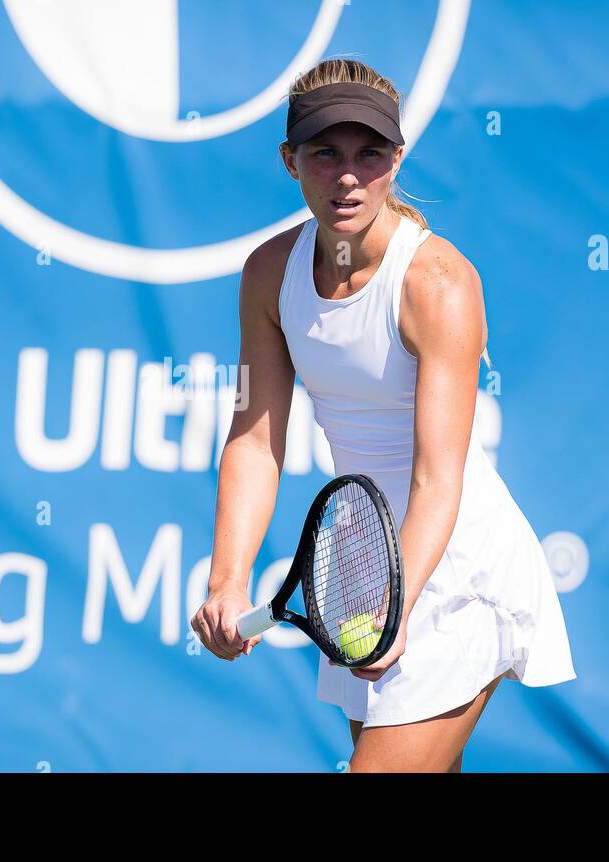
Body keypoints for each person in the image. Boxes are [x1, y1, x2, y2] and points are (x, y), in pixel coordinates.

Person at [190, 58, 576, 772]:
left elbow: (438, 479)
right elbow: (254, 439)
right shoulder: (269, 274)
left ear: (397, 158)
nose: (346, 176)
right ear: (290, 161)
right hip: (363, 571)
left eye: (369, 154)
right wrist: (226, 578)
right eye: (324, 153)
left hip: (456, 567)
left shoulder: (439, 283)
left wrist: (402, 601)